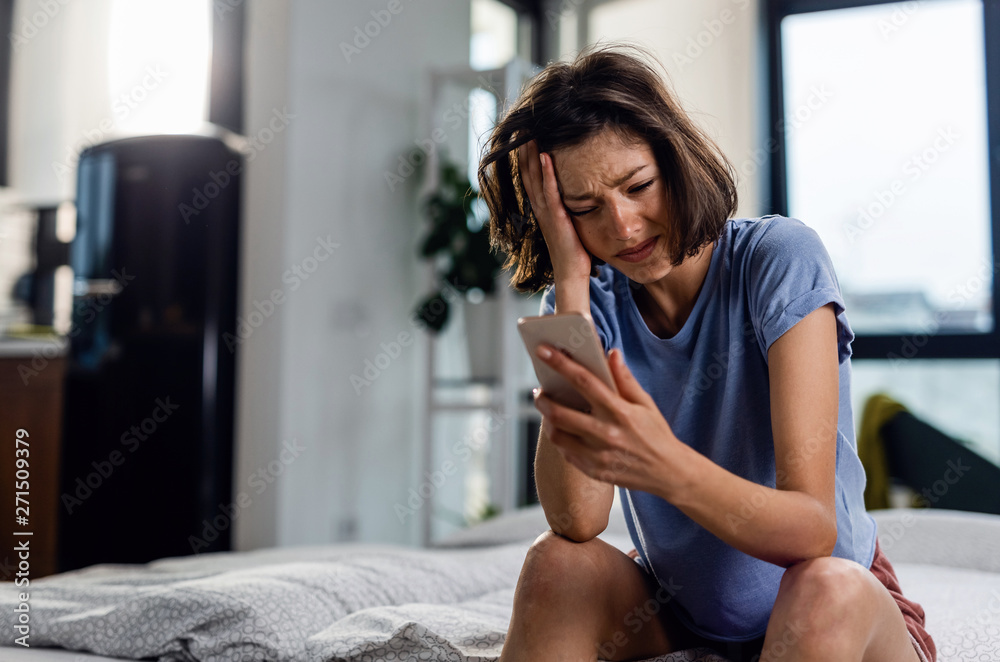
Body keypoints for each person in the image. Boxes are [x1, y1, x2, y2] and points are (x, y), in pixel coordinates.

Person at [476, 42, 936, 662]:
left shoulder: (779, 259)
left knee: (823, 588)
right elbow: (578, 519)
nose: (624, 226)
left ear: (676, 160)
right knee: (555, 565)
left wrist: (662, 463)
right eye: (585, 209)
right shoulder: (580, 306)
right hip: (684, 612)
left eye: (639, 186)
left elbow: (812, 532)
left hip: (835, 602)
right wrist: (572, 288)